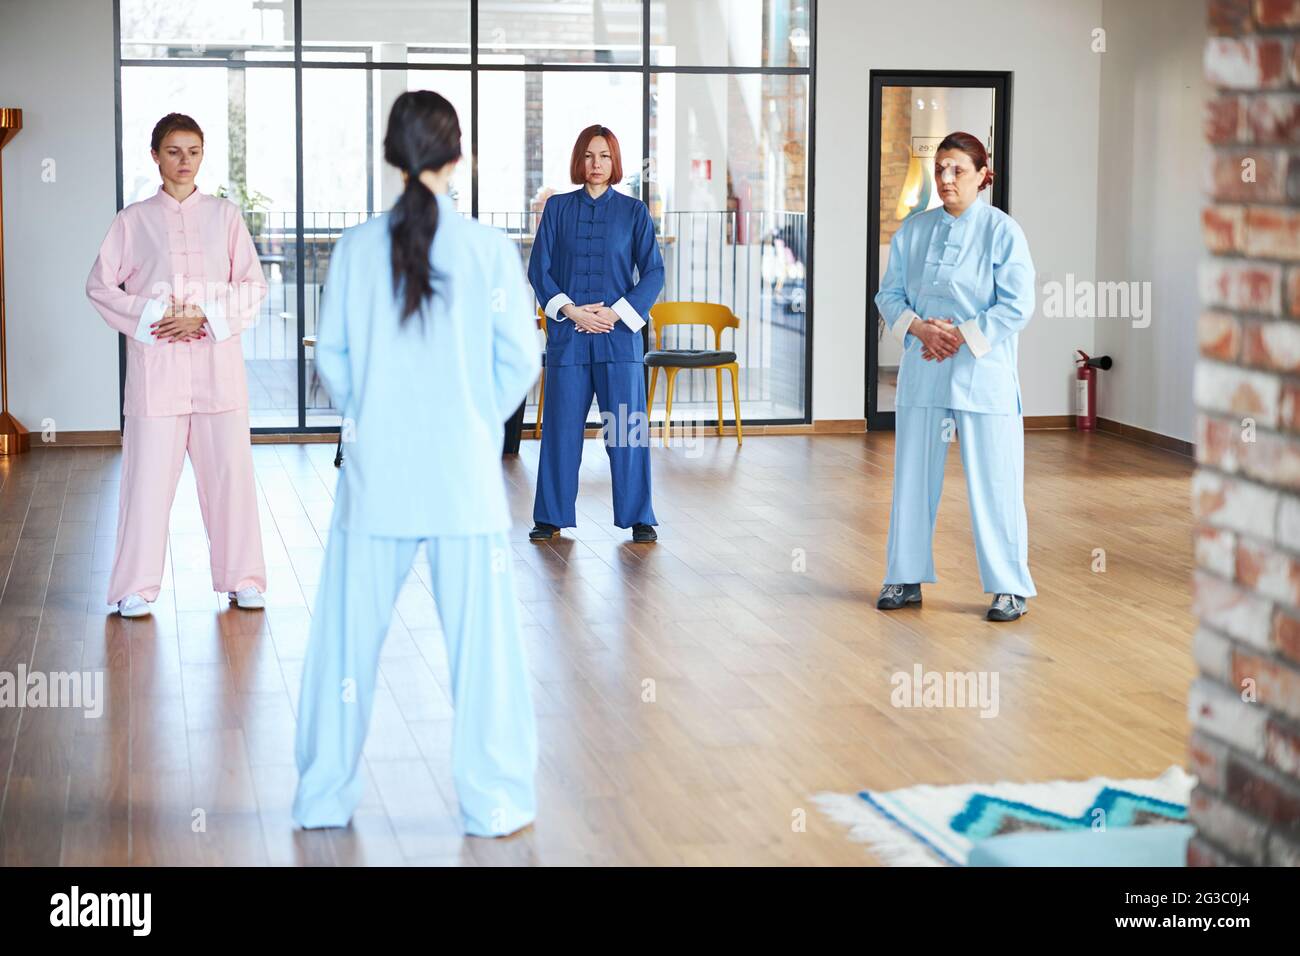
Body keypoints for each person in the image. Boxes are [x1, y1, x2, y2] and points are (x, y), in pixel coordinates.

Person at [292, 91, 541, 837]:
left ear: (390, 156)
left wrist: (379, 414)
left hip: (378, 480)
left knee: (345, 643)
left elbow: (332, 360)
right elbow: (520, 360)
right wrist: (469, 420)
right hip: (463, 479)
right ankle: (494, 803)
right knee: (484, 649)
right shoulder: (489, 249)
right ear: (456, 156)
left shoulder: (354, 249)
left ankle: (322, 799)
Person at [86, 112, 268, 618]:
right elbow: (100, 286)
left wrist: (204, 317)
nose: (183, 161)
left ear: (202, 155)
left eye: (193, 151)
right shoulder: (133, 220)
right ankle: (135, 587)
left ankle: (243, 579)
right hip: (157, 375)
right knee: (145, 481)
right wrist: (153, 316)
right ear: (155, 156)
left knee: (230, 477)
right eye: (173, 151)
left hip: (217, 372)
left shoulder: (225, 217)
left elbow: (253, 286)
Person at [874, 131, 1036, 622]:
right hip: (924, 370)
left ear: (983, 176)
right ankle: (903, 577)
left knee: (996, 480)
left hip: (981, 375)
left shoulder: (1003, 231)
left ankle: (1009, 587)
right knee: (912, 478)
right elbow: (889, 295)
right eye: (940, 168)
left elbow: (1017, 305)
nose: (945, 178)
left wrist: (961, 335)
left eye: (957, 170)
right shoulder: (914, 230)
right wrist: (922, 329)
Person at [527, 124, 664, 544]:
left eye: (604, 156)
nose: (596, 164)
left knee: (626, 430)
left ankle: (639, 515)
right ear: (578, 161)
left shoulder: (634, 212)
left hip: (618, 339)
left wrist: (617, 313)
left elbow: (654, 272)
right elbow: (539, 270)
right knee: (561, 430)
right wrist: (569, 310)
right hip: (569, 337)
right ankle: (550, 516)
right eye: (588, 156)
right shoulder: (557, 209)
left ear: (615, 161)